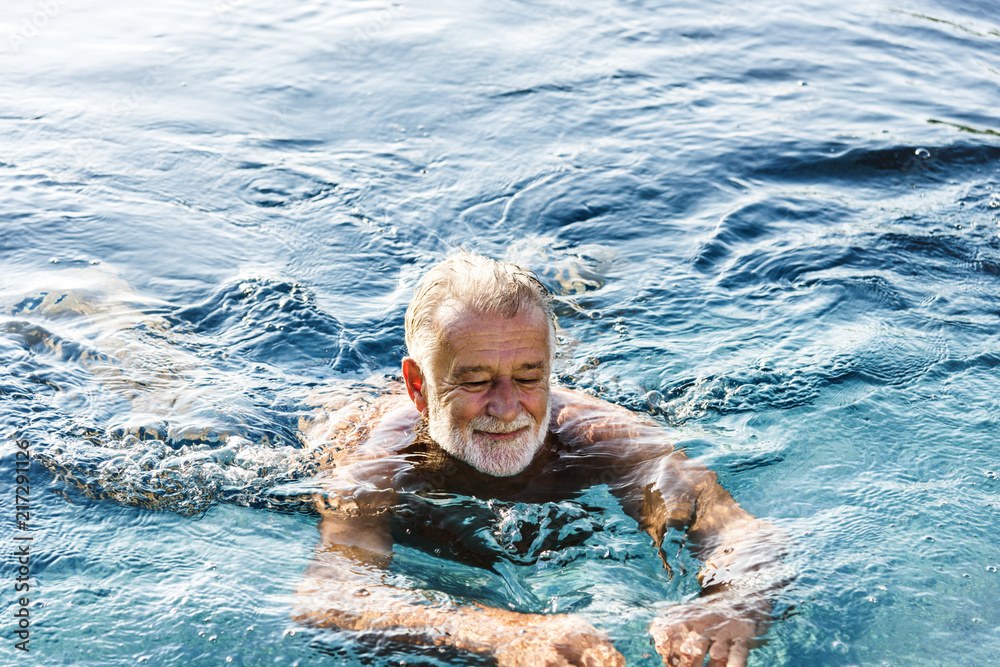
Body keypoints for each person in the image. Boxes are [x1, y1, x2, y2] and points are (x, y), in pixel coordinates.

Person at [294, 250, 787, 667]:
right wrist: (503, 634)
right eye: (476, 381)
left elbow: (740, 533)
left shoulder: (597, 434)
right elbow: (332, 594)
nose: (508, 408)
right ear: (418, 386)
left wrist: (731, 601)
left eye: (530, 378)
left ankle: (579, 273)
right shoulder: (378, 464)